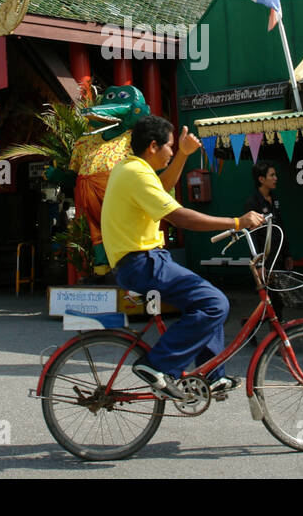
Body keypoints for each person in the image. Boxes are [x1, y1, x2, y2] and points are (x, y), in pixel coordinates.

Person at [101, 115, 265, 401]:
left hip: (141, 261)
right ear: (153, 146)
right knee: (215, 304)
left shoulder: (130, 169)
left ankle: (211, 376)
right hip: (143, 262)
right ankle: (157, 365)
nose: (170, 152)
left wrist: (182, 155)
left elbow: (163, 186)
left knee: (206, 301)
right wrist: (236, 222)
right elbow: (178, 216)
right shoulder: (137, 174)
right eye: (169, 147)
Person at [244, 161, 292, 331]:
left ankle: (249, 326)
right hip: (265, 259)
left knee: (276, 298)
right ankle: (277, 336)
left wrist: (287, 254)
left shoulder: (275, 199)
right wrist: (258, 263)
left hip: (278, 256)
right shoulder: (253, 203)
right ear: (261, 179)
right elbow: (253, 235)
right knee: (273, 298)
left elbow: (281, 227)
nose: (275, 178)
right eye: (272, 175)